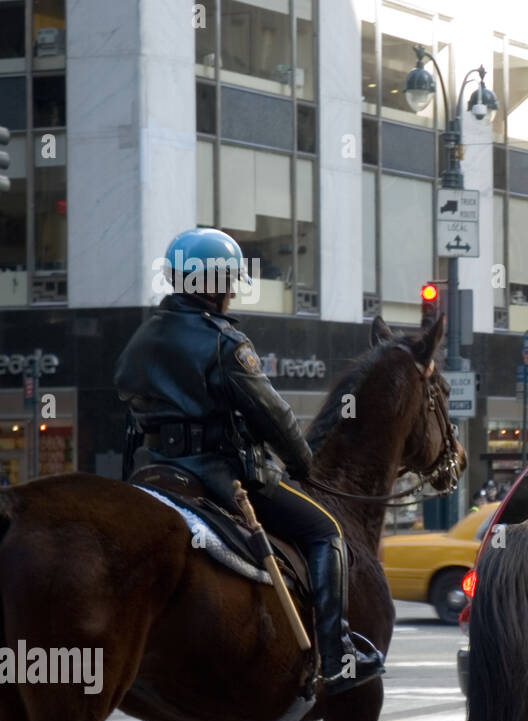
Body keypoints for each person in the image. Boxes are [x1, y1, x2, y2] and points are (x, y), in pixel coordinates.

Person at [115, 227, 384, 695]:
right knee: (326, 531)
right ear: (214, 283)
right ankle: (337, 653)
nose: (235, 289)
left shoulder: (140, 337)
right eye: (231, 279)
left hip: (152, 470)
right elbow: (273, 414)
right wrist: (303, 465)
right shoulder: (224, 342)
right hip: (217, 474)